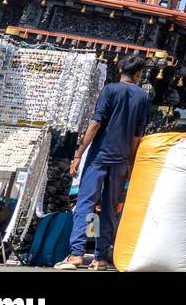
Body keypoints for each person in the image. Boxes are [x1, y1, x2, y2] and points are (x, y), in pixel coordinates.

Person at [56, 55, 152, 270]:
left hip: (99, 156)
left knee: (86, 204)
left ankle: (76, 255)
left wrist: (79, 153)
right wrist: (130, 163)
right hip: (121, 159)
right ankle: (100, 258)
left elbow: (96, 122)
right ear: (138, 74)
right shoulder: (143, 97)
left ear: (120, 70)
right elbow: (138, 135)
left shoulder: (110, 90)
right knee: (109, 209)